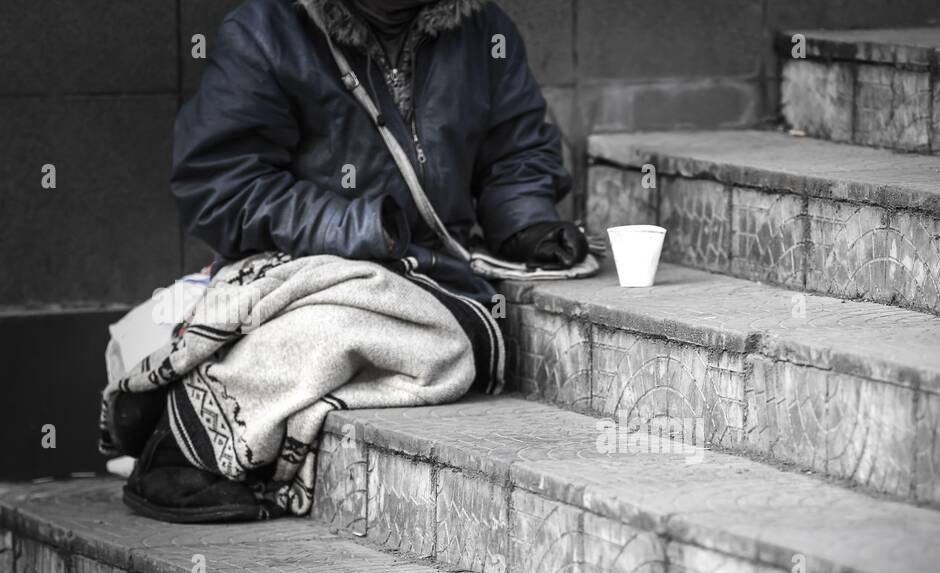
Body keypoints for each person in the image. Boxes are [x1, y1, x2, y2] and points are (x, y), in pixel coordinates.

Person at [112, 0, 586, 521]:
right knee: (334, 328)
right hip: (303, 262)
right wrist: (356, 227)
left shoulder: (482, 28)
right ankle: (180, 445)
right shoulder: (267, 29)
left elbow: (517, 151)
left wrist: (527, 222)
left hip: (429, 270)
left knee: (443, 342)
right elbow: (219, 186)